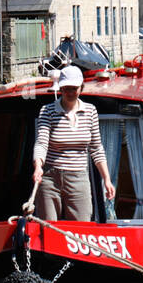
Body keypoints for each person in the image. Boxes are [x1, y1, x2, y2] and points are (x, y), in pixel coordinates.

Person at [30, 65, 115, 221]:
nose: (69, 92)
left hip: (79, 178)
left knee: (81, 226)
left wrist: (107, 180)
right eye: (66, 88)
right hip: (50, 178)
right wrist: (38, 167)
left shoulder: (91, 111)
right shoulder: (47, 111)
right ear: (60, 89)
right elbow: (42, 142)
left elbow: (96, 149)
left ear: (81, 88)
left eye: (74, 88)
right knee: (48, 229)